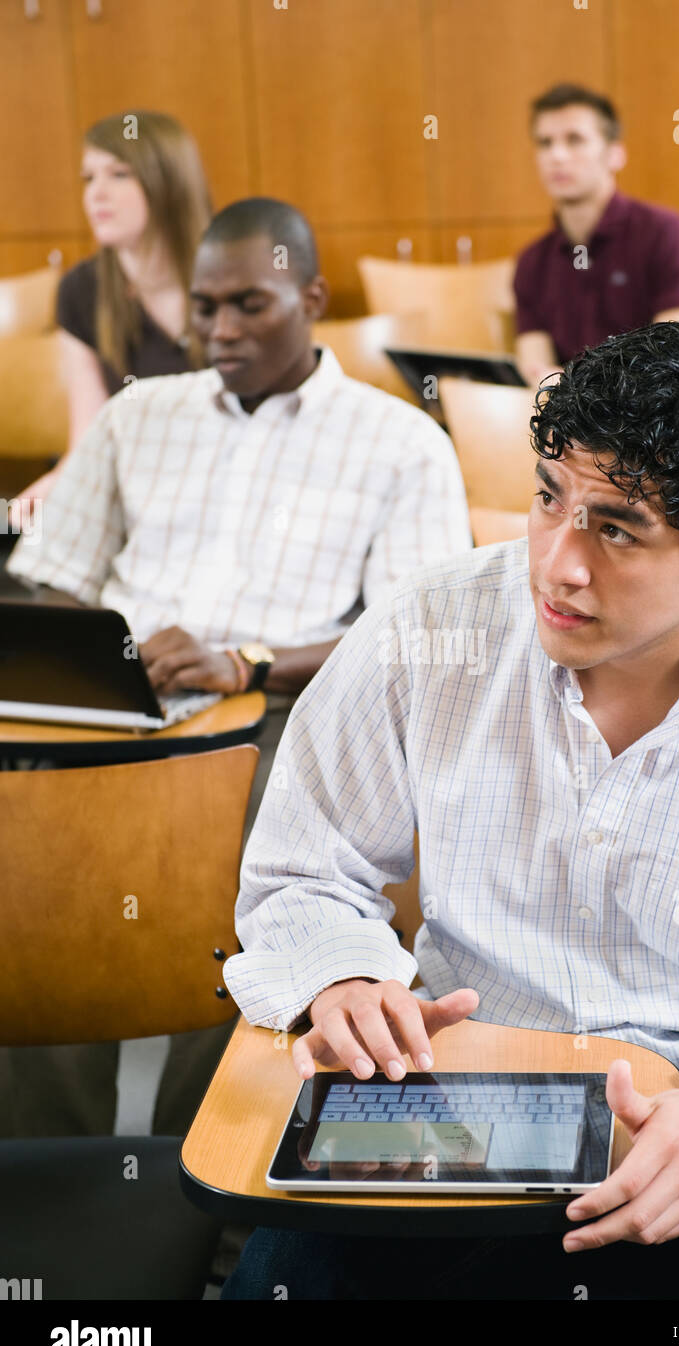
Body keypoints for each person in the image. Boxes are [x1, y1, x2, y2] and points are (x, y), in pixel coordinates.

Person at [221, 321, 679, 1300]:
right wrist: (342, 978)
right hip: (461, 1102)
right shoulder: (433, 625)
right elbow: (304, 868)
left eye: (615, 528)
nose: (557, 564)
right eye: (548, 498)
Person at [2, 196, 472, 1143]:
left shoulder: (398, 441)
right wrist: (107, 661)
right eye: (205, 307)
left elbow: (411, 638)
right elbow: (56, 582)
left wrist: (246, 662)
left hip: (277, 716)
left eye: (249, 305)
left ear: (311, 296)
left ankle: (208, 1163)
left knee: (262, 875)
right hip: (115, 711)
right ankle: (52, 1167)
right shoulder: (142, 413)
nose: (218, 330)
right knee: (29, 870)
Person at [11, 111, 211, 520]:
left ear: (168, 183)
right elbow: (89, 438)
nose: (96, 195)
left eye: (119, 174)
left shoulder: (230, 275)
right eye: (88, 178)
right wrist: (61, 483)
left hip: (227, 489)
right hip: (140, 499)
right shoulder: (80, 290)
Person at [514, 84, 679, 386]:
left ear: (615, 155)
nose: (557, 155)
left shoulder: (665, 231)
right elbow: (535, 363)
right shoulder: (531, 261)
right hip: (568, 417)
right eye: (544, 143)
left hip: (652, 415)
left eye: (574, 139)